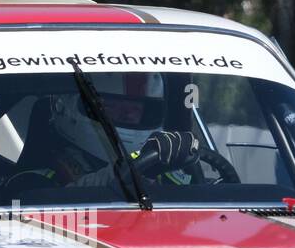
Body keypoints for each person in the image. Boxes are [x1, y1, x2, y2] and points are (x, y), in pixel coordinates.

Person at [14, 72, 201, 192]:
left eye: (135, 109)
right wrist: (133, 172)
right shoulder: (33, 181)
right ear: (67, 107)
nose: (126, 115)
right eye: (110, 107)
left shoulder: (165, 169)